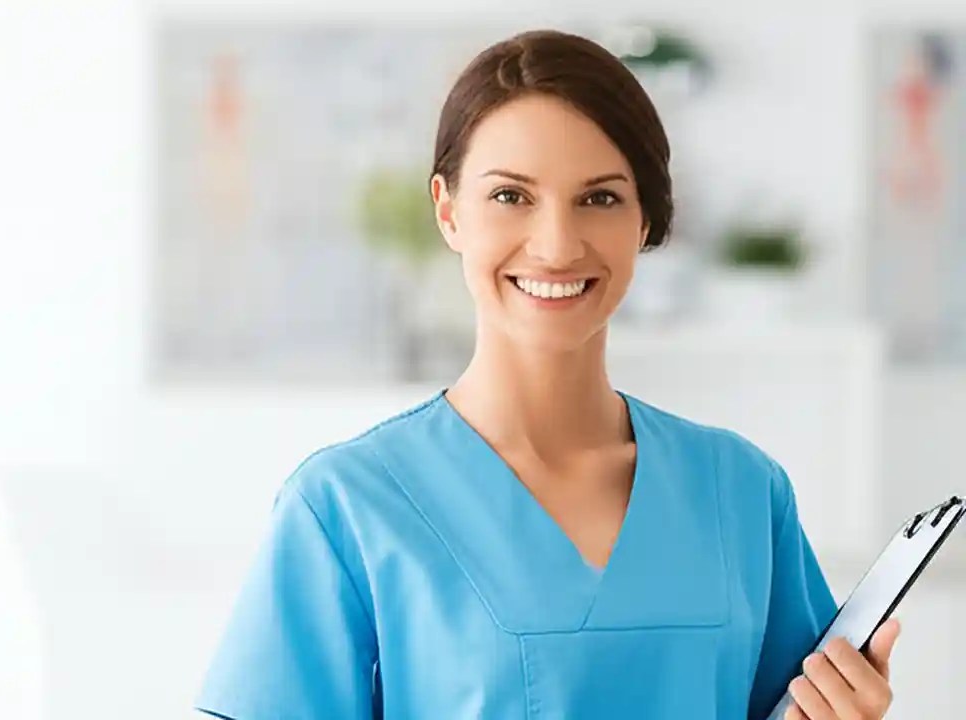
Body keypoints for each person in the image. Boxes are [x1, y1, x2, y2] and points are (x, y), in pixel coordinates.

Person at [193, 29, 900, 719]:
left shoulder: (742, 493)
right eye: (511, 196)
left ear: (646, 220)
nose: (557, 245)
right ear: (448, 210)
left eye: (600, 198)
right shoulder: (345, 506)